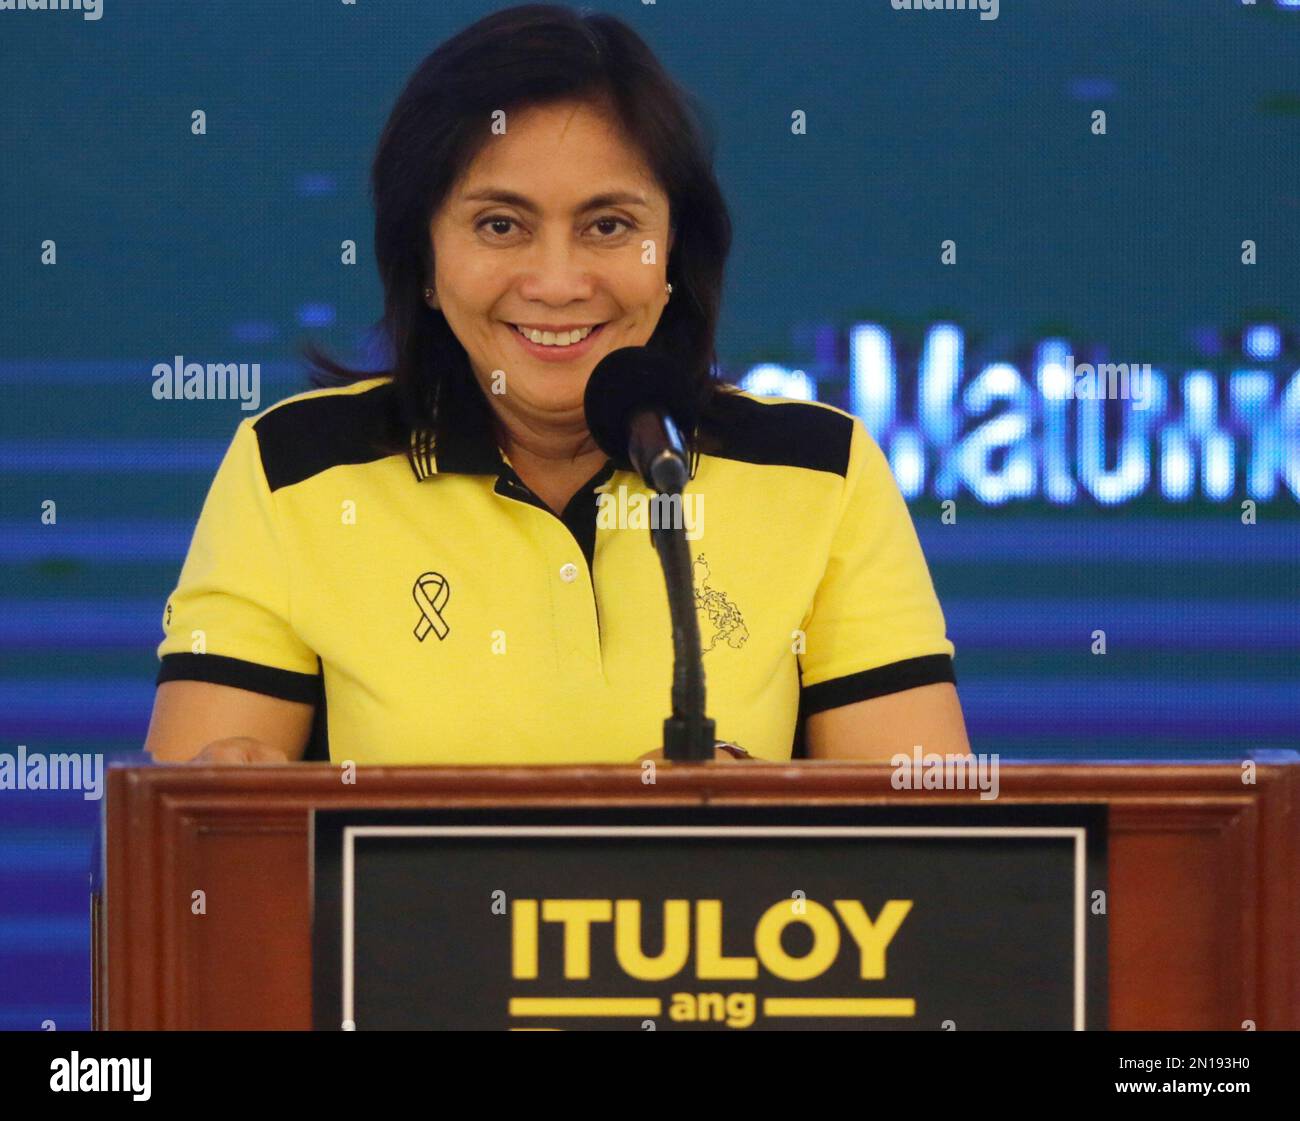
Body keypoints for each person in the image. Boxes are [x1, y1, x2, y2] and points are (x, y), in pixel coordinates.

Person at [144, 4, 969, 766]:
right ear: (424, 261)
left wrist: (744, 821)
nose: (557, 282)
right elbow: (192, 864)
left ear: (674, 256)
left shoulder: (820, 469)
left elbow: (928, 853)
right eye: (501, 226)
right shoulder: (294, 470)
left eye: (608, 227)